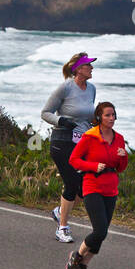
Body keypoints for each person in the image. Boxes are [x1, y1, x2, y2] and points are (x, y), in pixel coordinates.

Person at [65, 102, 128, 269]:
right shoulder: (90, 137)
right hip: (92, 185)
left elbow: (121, 168)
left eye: (114, 115)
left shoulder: (119, 138)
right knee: (99, 231)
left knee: (102, 234)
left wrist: (124, 157)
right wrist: (93, 166)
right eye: (108, 115)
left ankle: (82, 266)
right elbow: (74, 160)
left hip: (111, 188)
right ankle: (76, 256)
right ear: (99, 117)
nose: (111, 118)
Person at [40, 52, 98, 243]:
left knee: (83, 189)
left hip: (82, 143)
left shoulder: (91, 89)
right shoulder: (65, 88)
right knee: (72, 184)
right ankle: (62, 228)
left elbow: (87, 116)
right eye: (88, 65)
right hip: (62, 141)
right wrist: (61, 120)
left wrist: (101, 122)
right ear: (78, 69)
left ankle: (60, 211)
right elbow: (45, 113)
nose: (91, 68)